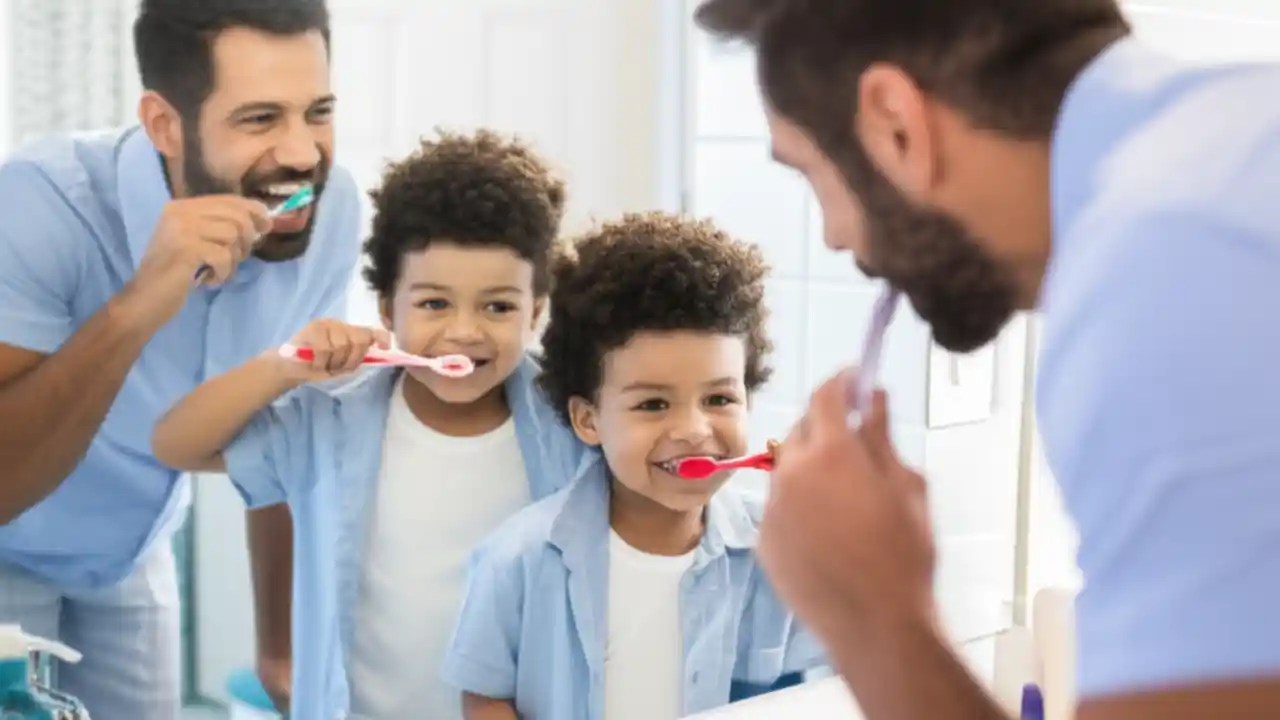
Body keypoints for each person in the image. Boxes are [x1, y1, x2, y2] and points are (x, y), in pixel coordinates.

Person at [693, 0, 1280, 718]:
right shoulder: (1240, 138)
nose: (838, 238)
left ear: (895, 122)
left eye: (813, 175)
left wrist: (876, 618)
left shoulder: (1165, 267)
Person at [152, 129, 592, 720]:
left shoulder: (573, 425)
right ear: (388, 308)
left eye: (499, 307)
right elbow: (175, 443)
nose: (465, 331)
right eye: (434, 303)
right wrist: (284, 365)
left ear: (535, 311)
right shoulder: (331, 420)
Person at [0, 0, 358, 717]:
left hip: (134, 555)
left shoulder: (330, 209)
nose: (300, 154)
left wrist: (279, 646)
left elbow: (286, 428)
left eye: (317, 111)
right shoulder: (38, 205)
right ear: (166, 125)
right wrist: (141, 304)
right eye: (259, 119)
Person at [442, 212, 826, 720]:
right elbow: (484, 694)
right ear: (587, 420)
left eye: (719, 398)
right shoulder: (517, 559)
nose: (693, 429)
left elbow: (820, 691)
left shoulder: (785, 554)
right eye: (652, 405)